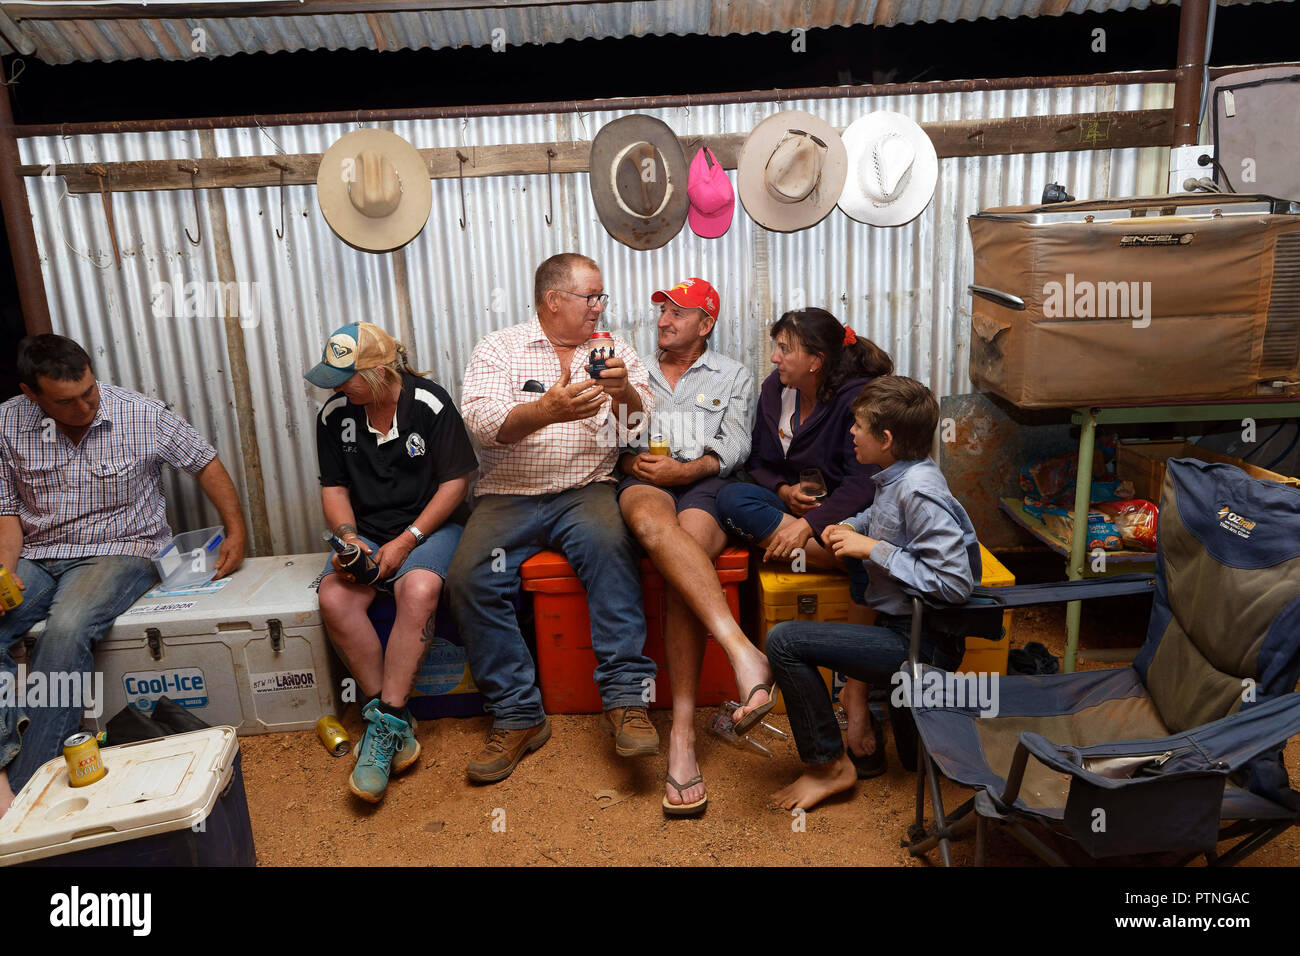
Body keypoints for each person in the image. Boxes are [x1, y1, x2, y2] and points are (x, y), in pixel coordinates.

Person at [0, 334, 247, 816]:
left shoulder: (140, 413)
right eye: (66, 402)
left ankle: (27, 788)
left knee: (66, 630)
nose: (84, 407)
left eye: (89, 392)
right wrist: (5, 573)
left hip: (120, 551)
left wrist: (236, 531)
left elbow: (205, 462)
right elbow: (6, 512)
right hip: (39, 552)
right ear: (32, 394)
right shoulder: (7, 422)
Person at [448, 253, 658, 784]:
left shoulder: (612, 350)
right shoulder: (500, 348)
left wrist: (623, 392)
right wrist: (549, 409)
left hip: (584, 491)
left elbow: (637, 426)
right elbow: (484, 424)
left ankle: (626, 701)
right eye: (591, 297)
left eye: (601, 297)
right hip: (508, 497)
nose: (599, 306)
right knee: (470, 578)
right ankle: (518, 713)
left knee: (612, 551)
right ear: (554, 299)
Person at [766, 376, 979, 812]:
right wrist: (852, 526)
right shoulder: (898, 476)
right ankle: (904, 723)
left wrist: (872, 549)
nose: (851, 433)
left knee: (784, 641)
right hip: (899, 627)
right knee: (914, 758)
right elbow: (881, 514)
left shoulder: (919, 490)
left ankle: (828, 766)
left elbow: (955, 584)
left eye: (858, 426)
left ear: (885, 439)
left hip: (921, 642)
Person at [307, 322, 477, 803]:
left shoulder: (429, 404)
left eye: (344, 379)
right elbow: (334, 488)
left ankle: (384, 723)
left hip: (431, 526)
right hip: (367, 530)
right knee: (335, 597)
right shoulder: (335, 414)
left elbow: (455, 484)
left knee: (418, 589)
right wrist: (349, 540)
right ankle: (392, 719)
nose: (335, 388)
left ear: (379, 374)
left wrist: (407, 540)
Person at [616, 277, 766, 817]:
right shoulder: (634, 370)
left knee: (686, 567)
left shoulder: (733, 374)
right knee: (655, 529)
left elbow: (736, 445)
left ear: (706, 324)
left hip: (705, 485)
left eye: (677, 313)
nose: (664, 321)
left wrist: (688, 470)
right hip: (646, 482)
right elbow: (612, 439)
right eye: (662, 311)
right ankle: (744, 652)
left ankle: (682, 735)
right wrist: (633, 461)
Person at [716, 307, 892, 731]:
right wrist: (783, 492)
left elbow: (864, 484)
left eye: (784, 349)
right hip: (797, 509)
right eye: (776, 347)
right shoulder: (775, 390)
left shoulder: (856, 399)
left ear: (816, 360)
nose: (774, 358)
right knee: (732, 497)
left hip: (848, 515)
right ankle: (842, 559)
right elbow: (758, 463)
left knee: (862, 534)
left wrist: (807, 527)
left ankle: (854, 691)